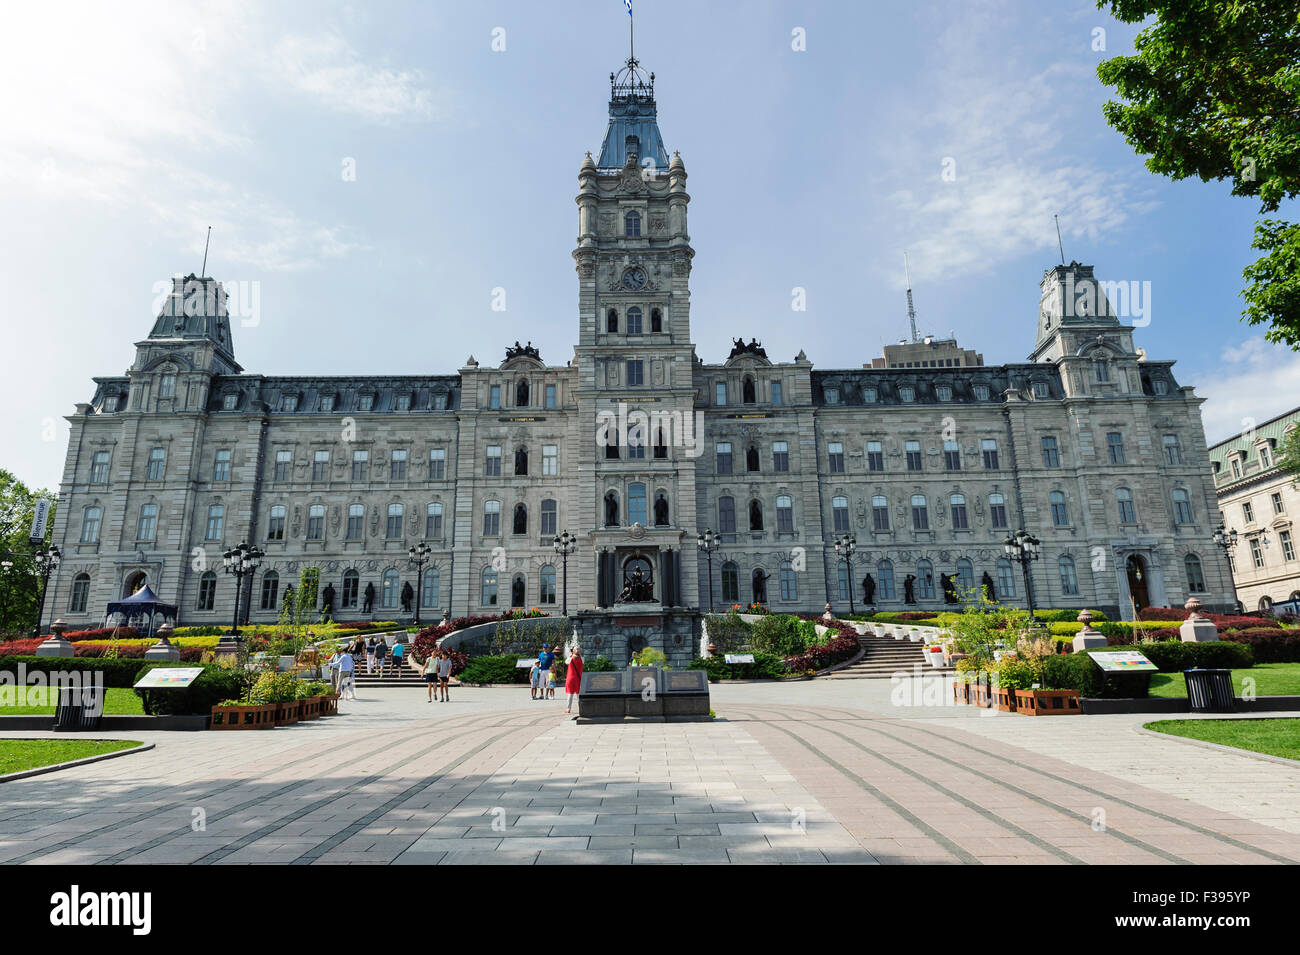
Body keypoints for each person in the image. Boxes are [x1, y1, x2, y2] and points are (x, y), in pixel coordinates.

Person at [564, 646, 583, 714]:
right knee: (579, 695)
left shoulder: (570, 659)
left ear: (573, 651)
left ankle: (568, 709)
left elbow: (566, 662)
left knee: (570, 694)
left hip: (570, 678)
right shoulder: (582, 658)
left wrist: (571, 655)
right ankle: (581, 709)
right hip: (579, 678)